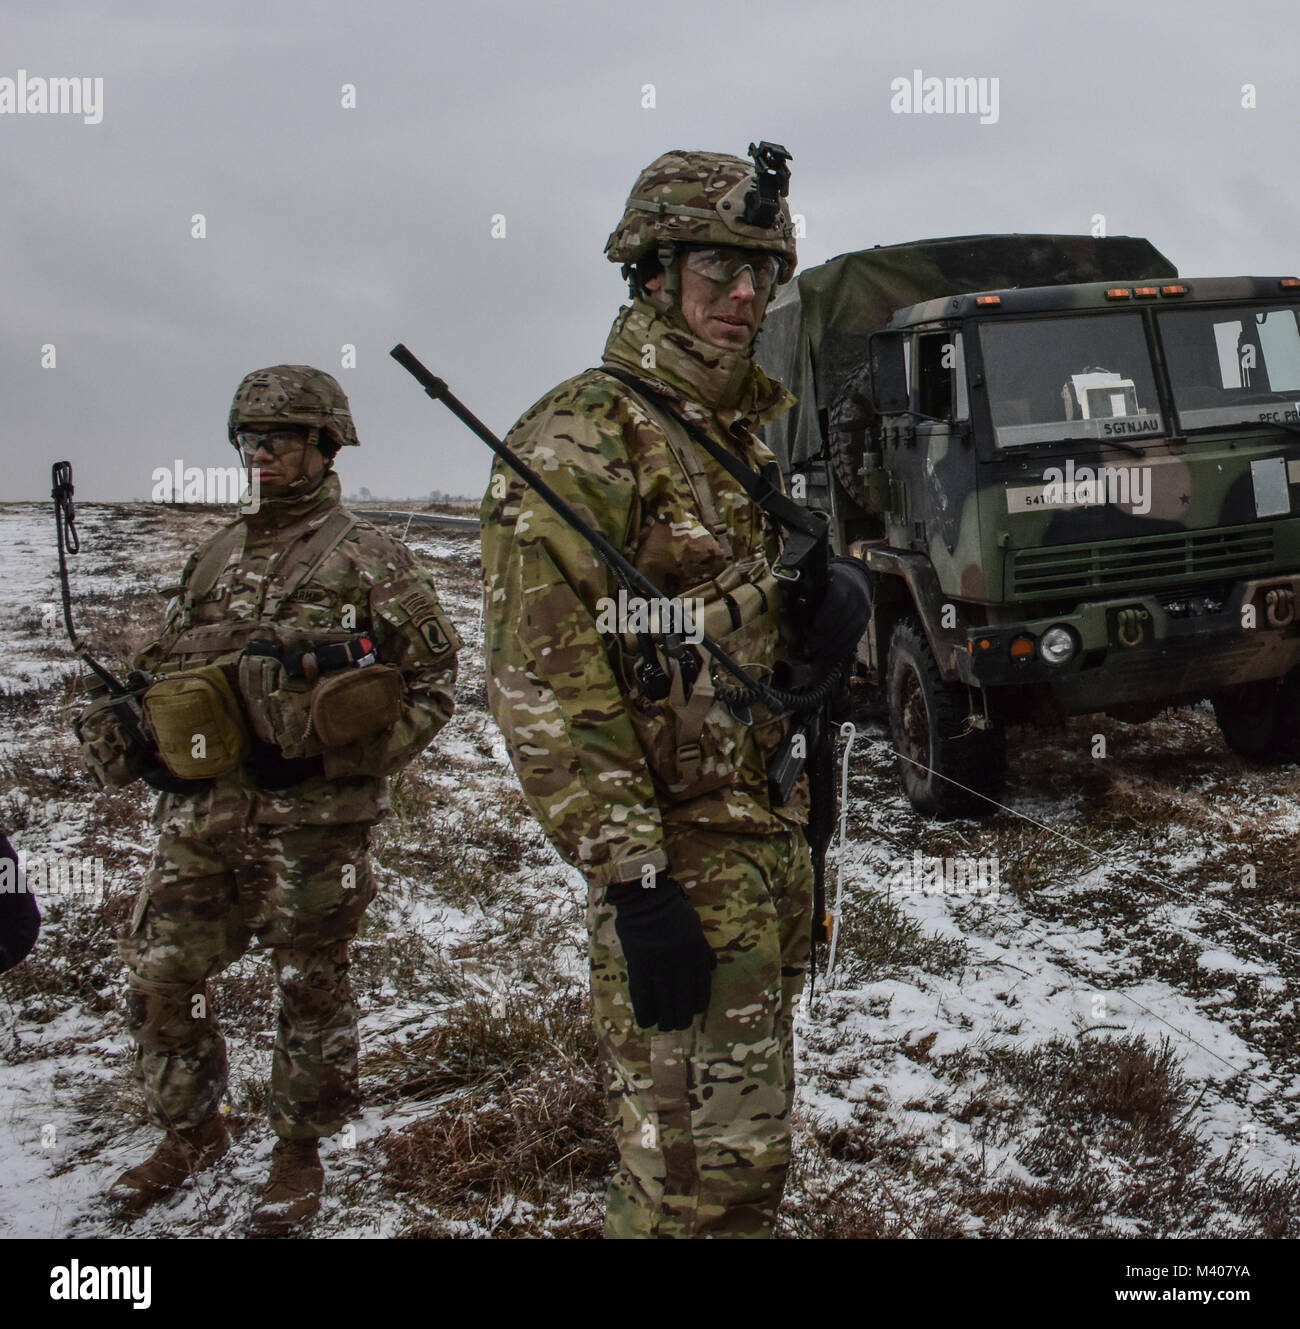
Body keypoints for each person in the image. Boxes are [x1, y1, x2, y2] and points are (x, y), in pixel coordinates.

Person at [481, 145, 825, 1238]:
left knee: (743, 1167)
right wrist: (636, 885)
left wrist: (818, 626)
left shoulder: (738, 442)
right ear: (649, 273)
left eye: (760, 273)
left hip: (767, 836)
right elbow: (547, 688)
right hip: (678, 863)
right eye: (716, 267)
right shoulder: (583, 438)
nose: (742, 294)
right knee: (693, 1188)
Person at [75, 365, 461, 1234]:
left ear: (327, 445)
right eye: (250, 440)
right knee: (162, 974)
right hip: (203, 815)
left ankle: (298, 1151)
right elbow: (170, 659)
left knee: (310, 986)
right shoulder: (215, 552)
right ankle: (192, 1130)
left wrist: (351, 762)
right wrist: (135, 719)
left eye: (281, 438)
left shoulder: (371, 558)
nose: (263, 455)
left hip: (315, 826)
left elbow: (436, 681)